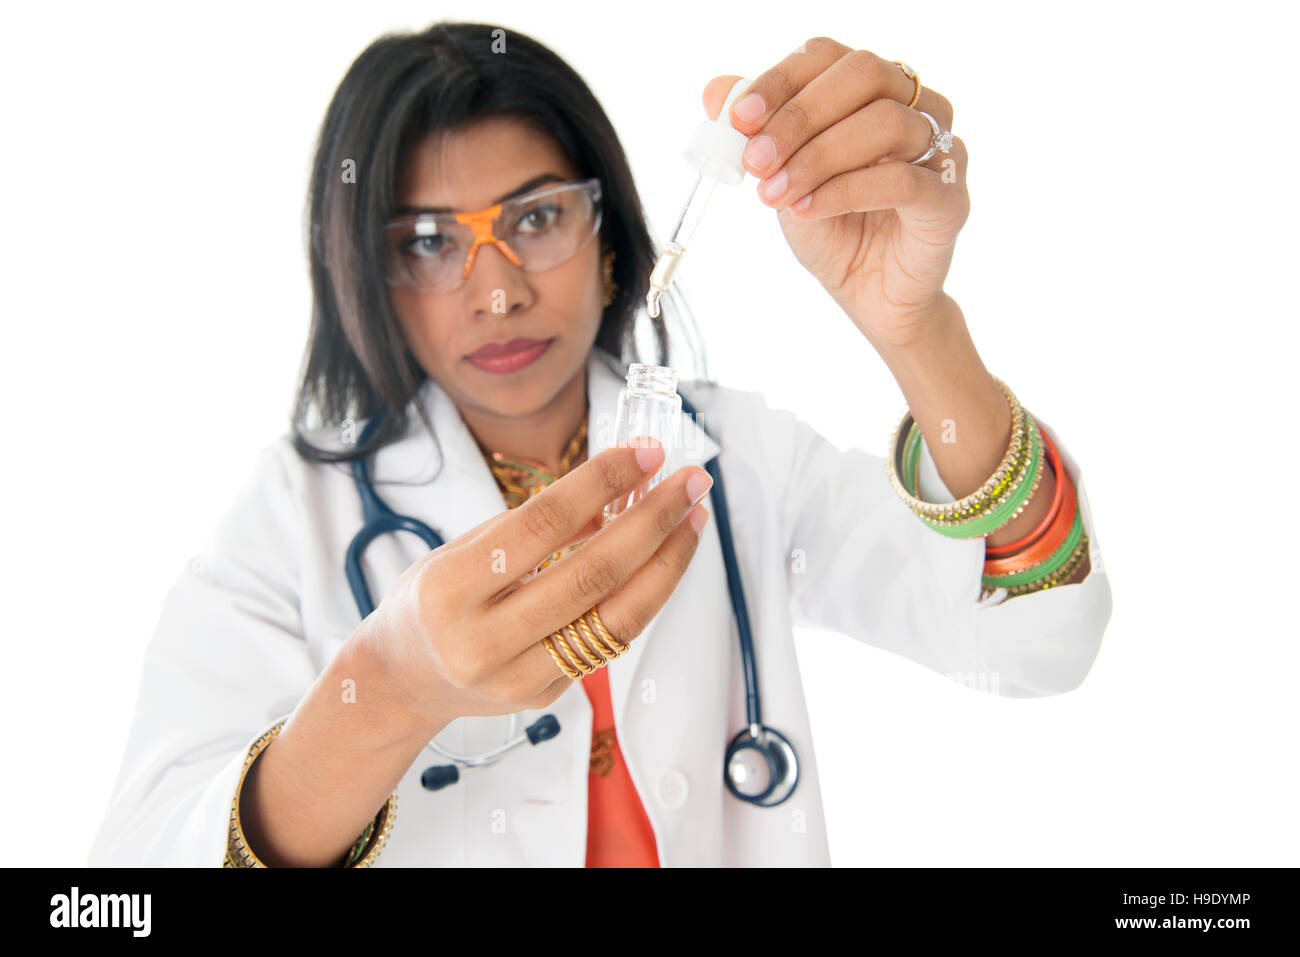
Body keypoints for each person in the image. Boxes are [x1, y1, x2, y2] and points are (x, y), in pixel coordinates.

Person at [88, 21, 1112, 868]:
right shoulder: (289, 525)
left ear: (611, 242)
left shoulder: (735, 458)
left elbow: (1032, 644)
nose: (496, 289)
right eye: (428, 243)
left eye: (536, 219)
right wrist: (393, 690)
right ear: (368, 277)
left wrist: (915, 328)